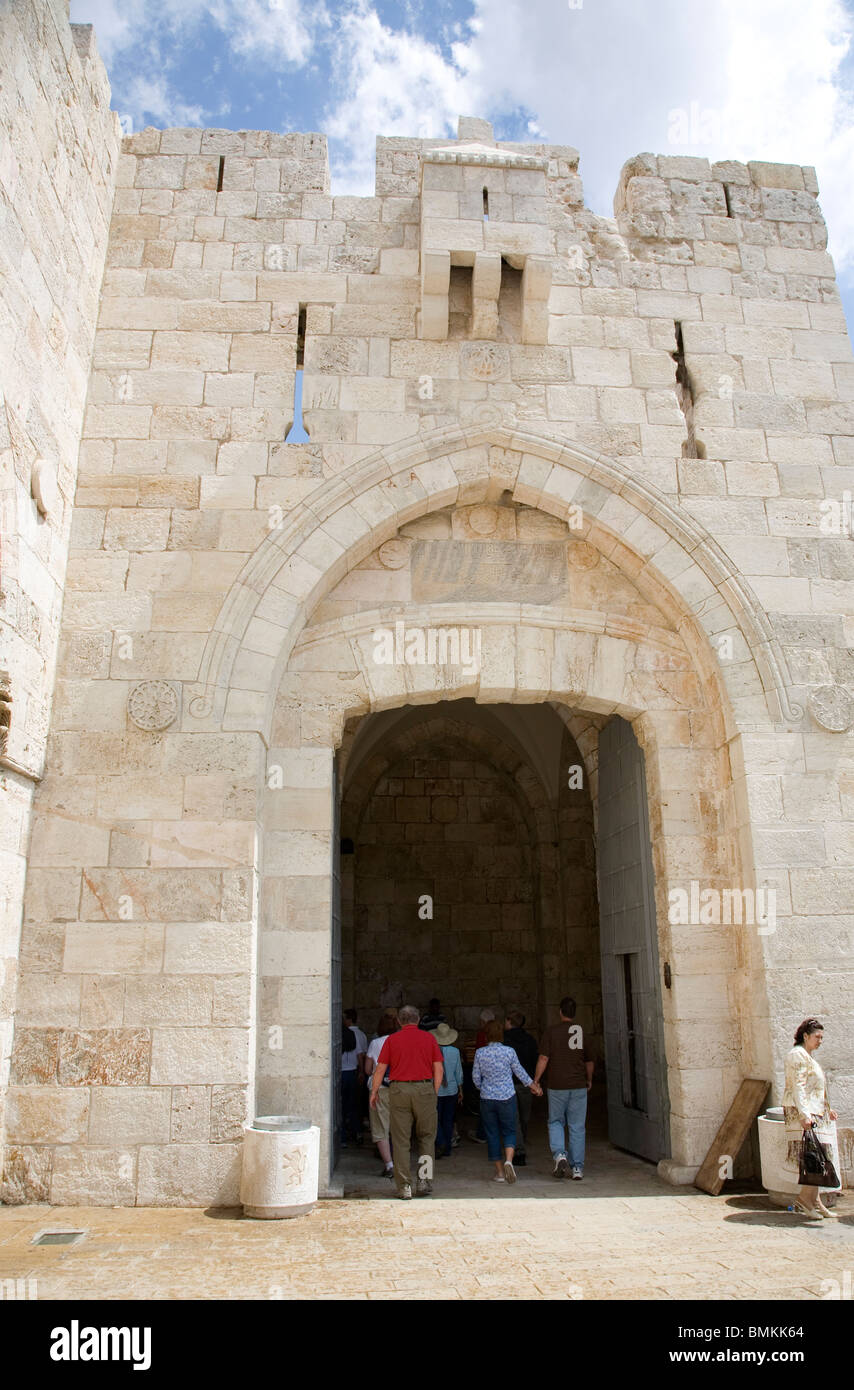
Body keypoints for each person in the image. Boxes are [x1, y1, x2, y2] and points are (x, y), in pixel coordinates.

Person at [370, 1003, 444, 1199]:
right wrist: (433, 1091)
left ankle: (404, 1186)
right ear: (418, 1020)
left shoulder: (392, 1040)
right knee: (427, 1137)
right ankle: (424, 1180)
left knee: (401, 1140)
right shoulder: (429, 1038)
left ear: (399, 1021)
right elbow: (438, 1069)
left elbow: (380, 1068)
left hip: (399, 1089)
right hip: (424, 1088)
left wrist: (374, 1091)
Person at [783, 1017, 839, 1219]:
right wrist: (805, 1115)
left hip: (815, 1112)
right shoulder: (797, 1055)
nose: (820, 1041)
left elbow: (816, 1087)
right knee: (813, 1156)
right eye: (817, 1037)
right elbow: (799, 1086)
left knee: (817, 1157)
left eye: (822, 1037)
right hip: (804, 1113)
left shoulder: (807, 1056)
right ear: (805, 1036)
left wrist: (827, 1108)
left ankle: (814, 1201)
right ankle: (805, 1200)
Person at [473, 1019, 541, 1183]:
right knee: (510, 1130)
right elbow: (520, 1072)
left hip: (488, 1098)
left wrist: (484, 1088)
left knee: (492, 1133)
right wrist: (534, 1086)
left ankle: (500, 1173)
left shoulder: (480, 1053)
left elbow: (475, 1078)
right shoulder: (509, 1051)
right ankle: (509, 1161)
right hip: (507, 1097)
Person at [533, 996, 593, 1180]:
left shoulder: (551, 1032)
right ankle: (577, 1168)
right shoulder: (582, 1032)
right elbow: (589, 1061)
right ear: (574, 1013)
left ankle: (560, 1155)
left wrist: (536, 1080)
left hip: (557, 1085)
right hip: (578, 1085)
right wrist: (589, 1079)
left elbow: (544, 1058)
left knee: (556, 1121)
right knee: (577, 1126)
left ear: (560, 1012)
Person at [364, 1011, 399, 1179]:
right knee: (399, 1125)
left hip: (379, 1088)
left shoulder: (375, 1043)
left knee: (380, 1126)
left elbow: (367, 1069)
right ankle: (401, 1162)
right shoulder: (402, 1042)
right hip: (400, 1087)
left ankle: (389, 1165)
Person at [504, 1010, 539, 1167]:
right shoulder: (530, 1040)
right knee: (524, 1117)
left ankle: (518, 1149)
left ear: (509, 1021)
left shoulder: (504, 1041)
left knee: (514, 1118)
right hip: (526, 1084)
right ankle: (520, 1144)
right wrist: (535, 1081)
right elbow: (535, 1060)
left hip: (509, 1084)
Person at [434, 1022, 463, 1158]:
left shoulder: (432, 1051)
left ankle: (440, 1142)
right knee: (448, 1119)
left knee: (436, 1119)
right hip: (451, 1090)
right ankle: (447, 1148)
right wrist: (461, 1089)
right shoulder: (455, 1052)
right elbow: (458, 1073)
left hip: (436, 1090)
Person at [344, 1008, 368, 1130]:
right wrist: (362, 1071)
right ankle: (356, 1129)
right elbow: (363, 1054)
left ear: (348, 1019)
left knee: (345, 1103)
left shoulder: (347, 1033)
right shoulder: (362, 1034)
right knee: (356, 1101)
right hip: (358, 1069)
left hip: (351, 1070)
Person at [340, 1020, 361, 1146]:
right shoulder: (353, 1035)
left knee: (340, 1108)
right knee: (353, 1105)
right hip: (352, 1072)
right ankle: (357, 1132)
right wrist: (361, 1072)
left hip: (341, 1073)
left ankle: (342, 1138)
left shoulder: (339, 1036)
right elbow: (359, 1055)